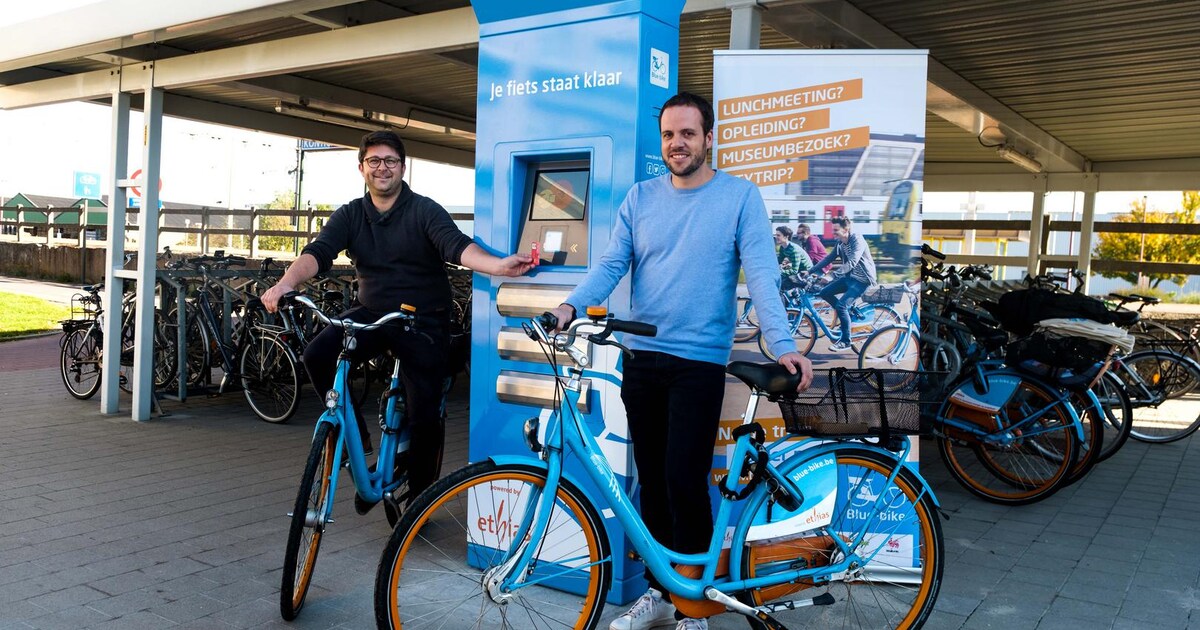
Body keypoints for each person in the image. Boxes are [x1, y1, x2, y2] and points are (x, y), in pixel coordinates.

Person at [546, 93, 813, 630]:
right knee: (651, 480)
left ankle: (696, 605)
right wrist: (570, 305)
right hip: (642, 358)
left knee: (684, 479)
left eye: (688, 134)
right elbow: (612, 263)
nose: (677, 144)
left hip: (697, 362)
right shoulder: (641, 198)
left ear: (708, 138)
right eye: (669, 135)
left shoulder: (739, 196)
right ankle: (662, 590)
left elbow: (762, 275)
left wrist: (783, 344)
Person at [261, 130, 532, 508]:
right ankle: (355, 437)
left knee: (424, 415)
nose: (382, 168)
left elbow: (456, 245)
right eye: (374, 161)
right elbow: (318, 253)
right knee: (316, 355)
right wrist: (286, 283)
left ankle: (419, 503)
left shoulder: (423, 210)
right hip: (373, 313)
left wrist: (498, 265)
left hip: (423, 320)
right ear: (361, 168)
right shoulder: (352, 214)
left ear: (403, 168)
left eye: (390, 161)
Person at [808, 216, 877, 353]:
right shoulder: (840, 243)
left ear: (846, 229)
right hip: (850, 278)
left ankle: (846, 341)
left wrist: (832, 275)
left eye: (836, 230)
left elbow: (852, 262)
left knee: (841, 305)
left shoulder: (857, 239)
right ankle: (848, 315)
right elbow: (829, 258)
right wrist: (810, 271)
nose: (833, 233)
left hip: (863, 281)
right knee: (824, 292)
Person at [773, 225, 811, 289]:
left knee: (783, 283)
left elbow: (794, 271)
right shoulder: (782, 247)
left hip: (805, 273)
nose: (776, 237)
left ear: (786, 236)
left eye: (778, 235)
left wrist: (779, 272)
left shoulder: (794, 250)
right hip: (798, 271)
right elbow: (779, 261)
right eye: (776, 235)